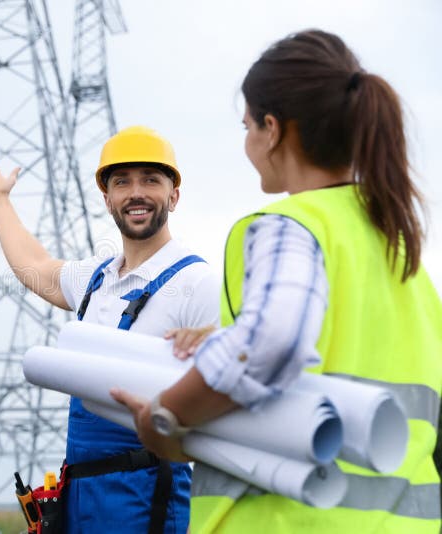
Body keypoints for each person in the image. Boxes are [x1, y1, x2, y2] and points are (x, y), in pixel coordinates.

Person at [112, 29, 442, 533]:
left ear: (272, 129)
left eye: (247, 126)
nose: (247, 143)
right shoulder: (399, 247)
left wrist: (166, 417)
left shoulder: (290, 227)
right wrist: (223, 337)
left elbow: (272, 341)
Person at [0, 126, 220, 534]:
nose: (135, 193)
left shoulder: (197, 283)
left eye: (150, 180)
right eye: (122, 182)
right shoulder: (96, 279)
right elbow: (36, 268)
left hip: (148, 499)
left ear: (174, 196)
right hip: (81, 494)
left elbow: (227, 393)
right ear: (107, 199)